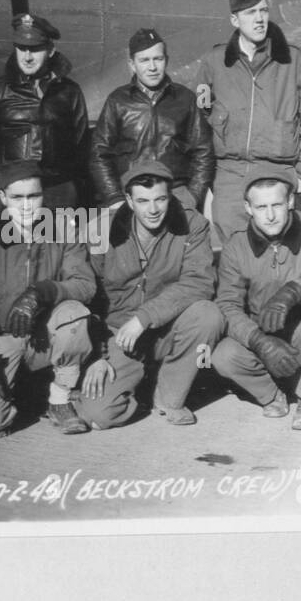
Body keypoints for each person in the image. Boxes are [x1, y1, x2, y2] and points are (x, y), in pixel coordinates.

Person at [73, 160, 224, 429]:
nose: (153, 210)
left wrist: (144, 318)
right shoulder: (100, 230)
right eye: (143, 201)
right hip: (117, 333)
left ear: (170, 197)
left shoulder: (194, 225)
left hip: (166, 327)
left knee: (208, 315)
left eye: (160, 199)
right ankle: (140, 384)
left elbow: (198, 282)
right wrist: (96, 355)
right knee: (99, 415)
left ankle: (169, 397)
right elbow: (89, 296)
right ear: (129, 201)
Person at [211, 166, 301, 431]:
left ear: (290, 201)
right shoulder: (236, 245)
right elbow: (227, 306)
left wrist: (296, 290)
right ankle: (271, 394)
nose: (269, 216)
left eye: (277, 205)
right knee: (223, 355)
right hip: (263, 338)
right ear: (248, 207)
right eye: (261, 207)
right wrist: (259, 341)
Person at [0, 161, 96, 437]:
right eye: (17, 198)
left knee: (74, 313)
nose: (26, 206)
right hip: (1, 339)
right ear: (2, 198)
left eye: (33, 196)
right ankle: (24, 394)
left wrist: (42, 292)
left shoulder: (63, 227)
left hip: (47, 331)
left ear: (43, 196)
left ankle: (60, 398)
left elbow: (84, 285)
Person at [195, 0, 301, 244]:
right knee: (235, 255)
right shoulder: (213, 63)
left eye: (263, 11)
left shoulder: (294, 61)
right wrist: (212, 178)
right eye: (250, 13)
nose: (259, 19)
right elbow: (198, 122)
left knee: (276, 250)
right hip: (229, 175)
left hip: (276, 171)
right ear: (234, 20)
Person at [90, 28, 214, 213]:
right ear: (132, 64)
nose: (152, 67)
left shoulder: (185, 99)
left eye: (158, 59)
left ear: (167, 60)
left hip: (176, 195)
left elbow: (203, 151)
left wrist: (193, 196)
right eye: (144, 60)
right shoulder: (118, 101)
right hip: (131, 196)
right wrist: (115, 198)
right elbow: (98, 154)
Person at [0, 14, 91, 211]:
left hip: (58, 190)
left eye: (35, 49)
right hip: (15, 191)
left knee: (60, 241)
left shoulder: (70, 91)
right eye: (22, 48)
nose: (27, 56)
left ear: (50, 50)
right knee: (12, 241)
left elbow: (80, 144)